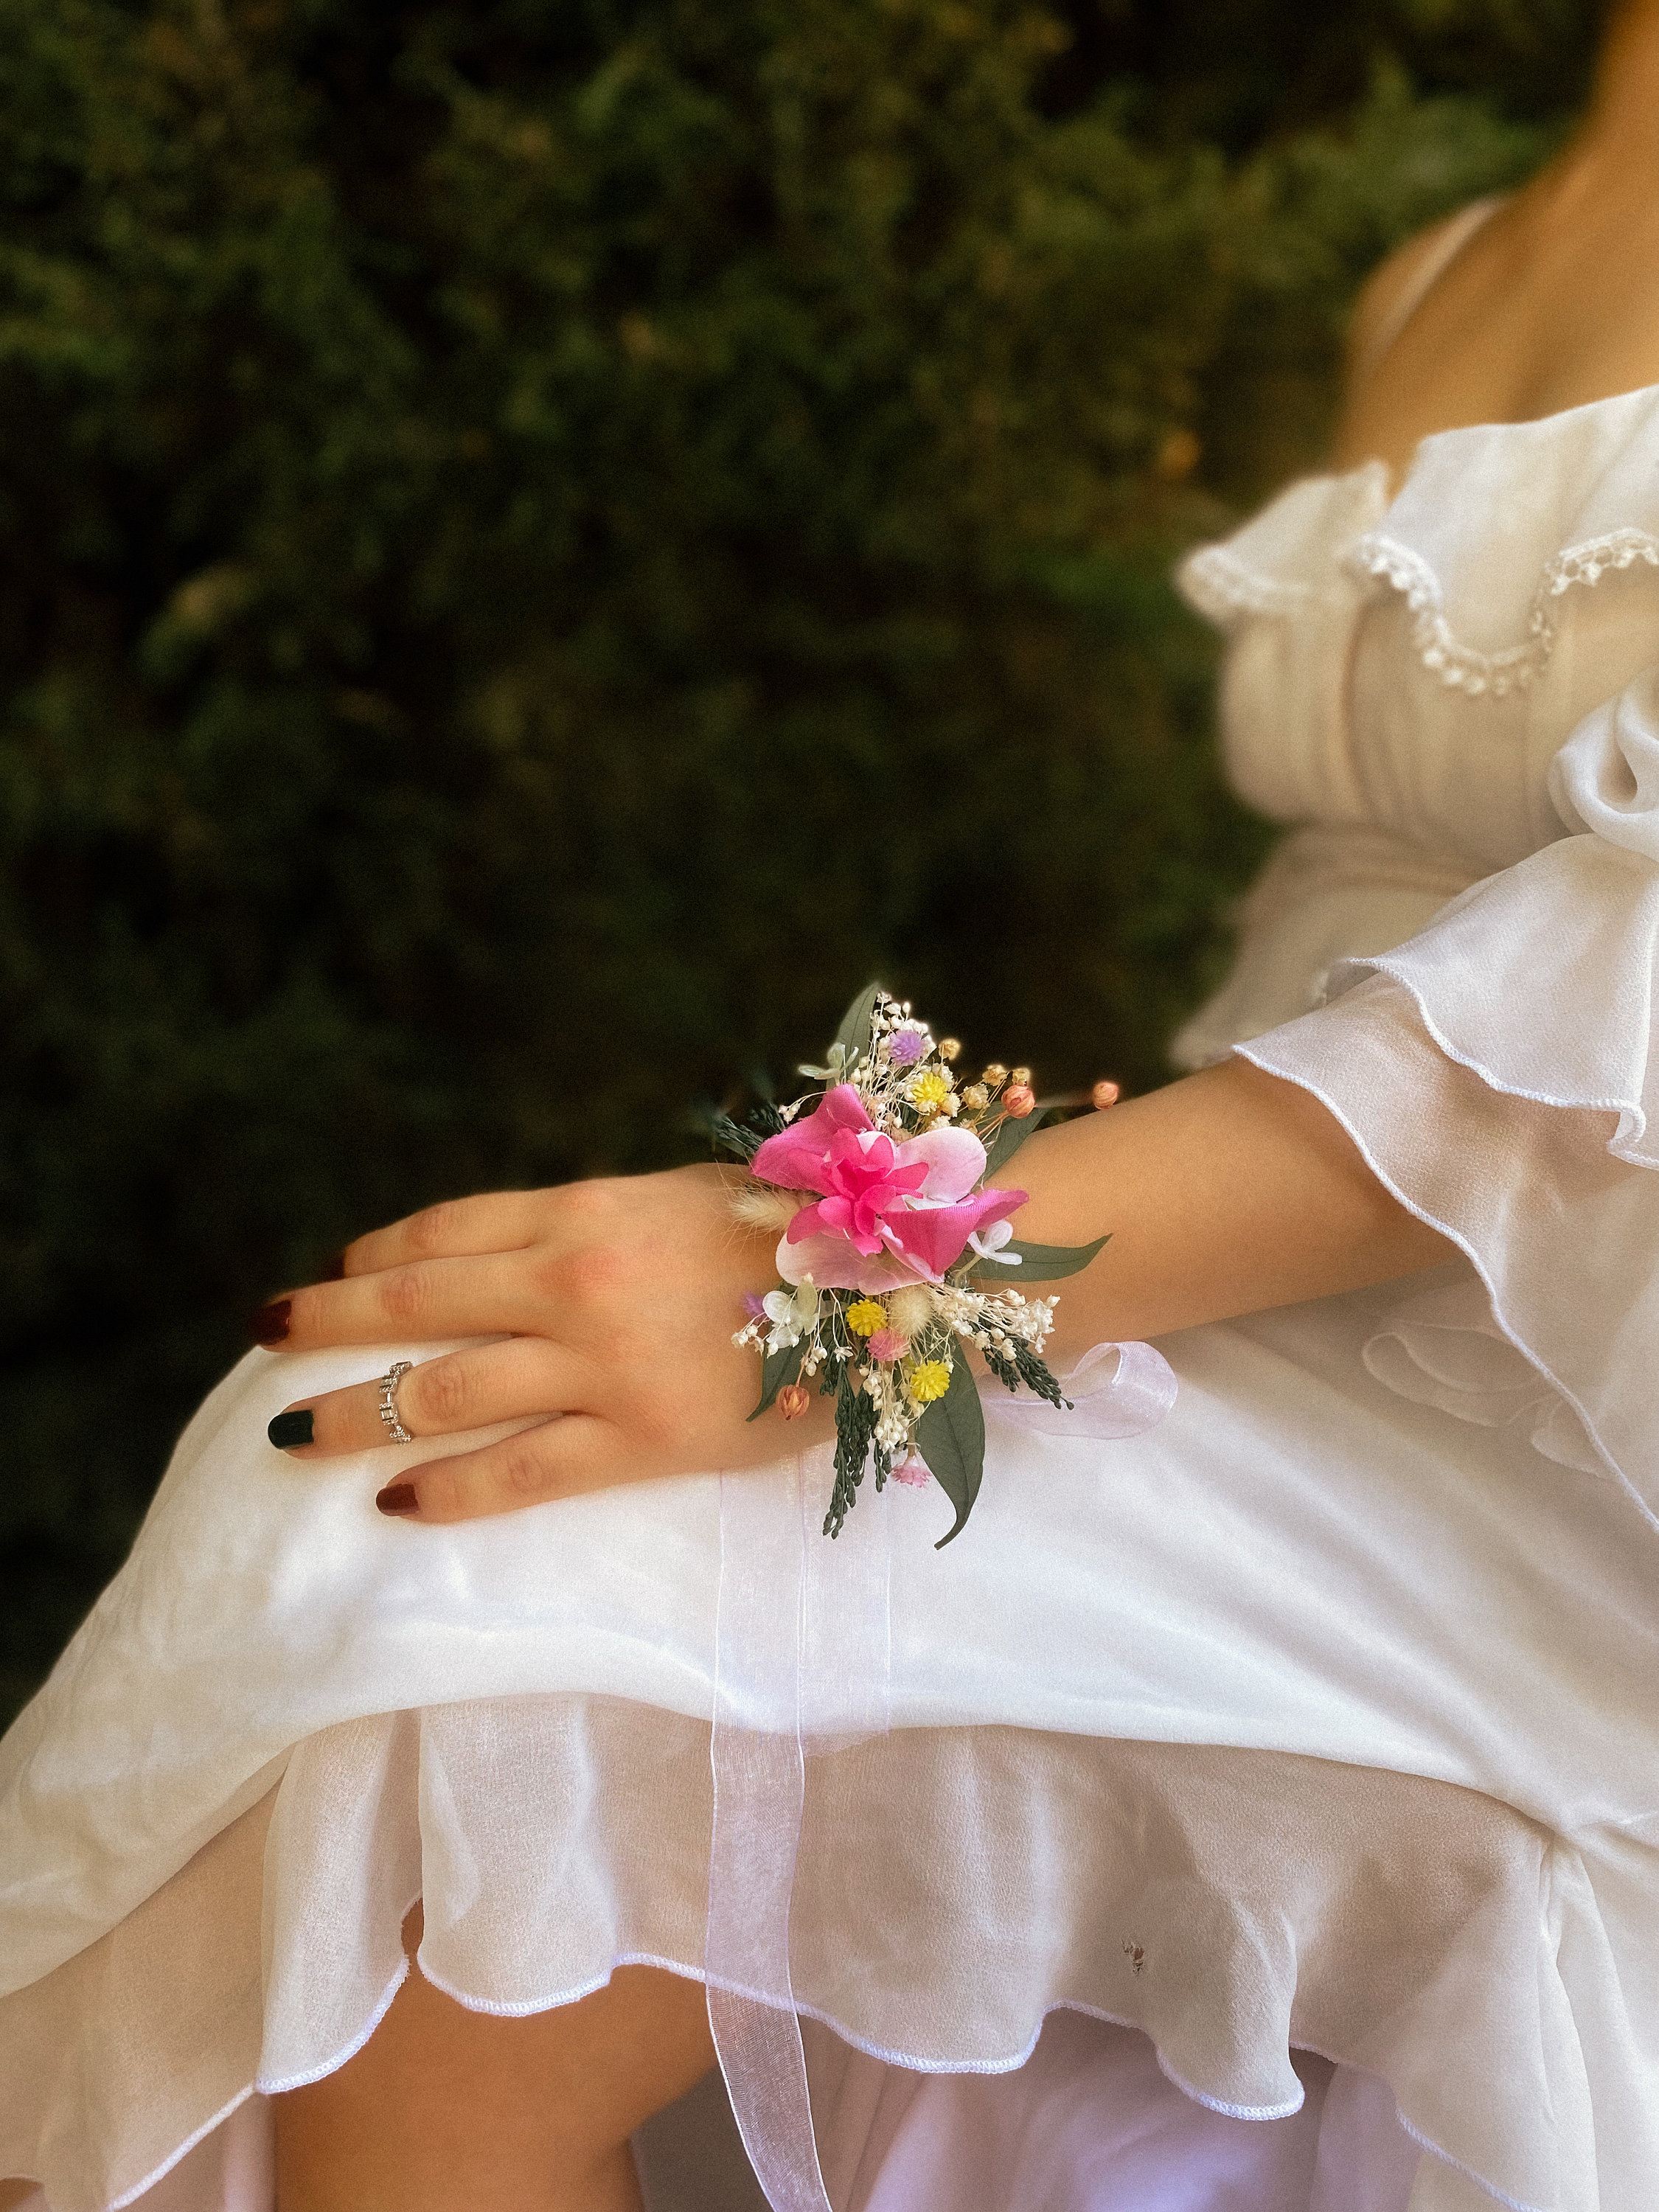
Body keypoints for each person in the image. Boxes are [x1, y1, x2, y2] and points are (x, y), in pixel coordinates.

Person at [7, 2, 1659, 2205]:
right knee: (408, 1492)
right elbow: (1343, 928)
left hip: (1568, 1442)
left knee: (469, 1620)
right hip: (1286, 1320)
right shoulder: (1444, 270)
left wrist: (894, 1273)